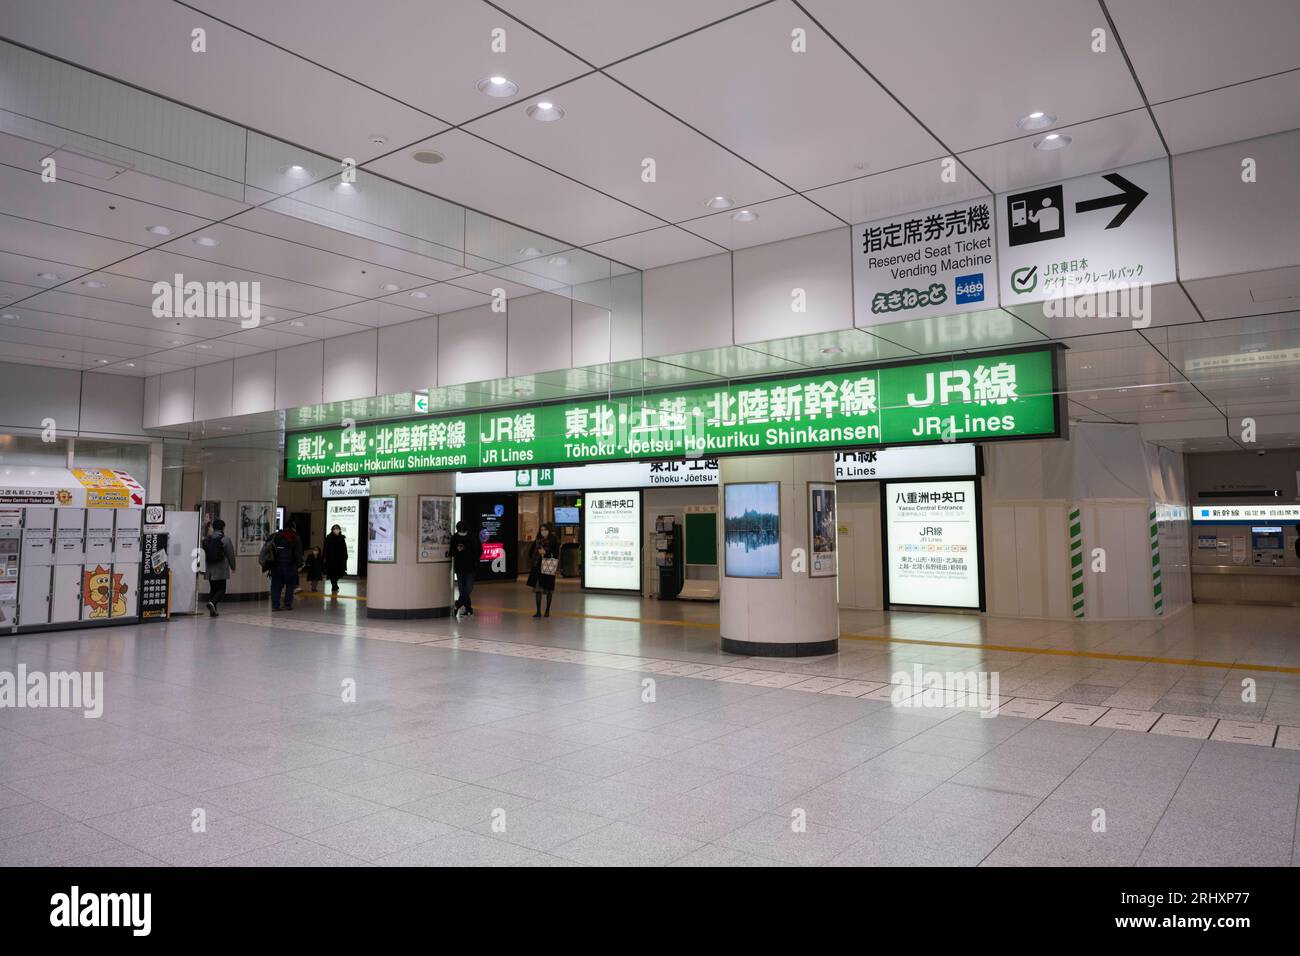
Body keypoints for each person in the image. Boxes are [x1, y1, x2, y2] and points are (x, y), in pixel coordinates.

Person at [260, 519, 304, 611]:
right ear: (293, 528)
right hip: (290, 566)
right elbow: (298, 553)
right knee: (290, 586)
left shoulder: (275, 536)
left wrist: (265, 563)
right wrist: (299, 565)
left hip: (276, 565)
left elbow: (265, 549)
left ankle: (275, 606)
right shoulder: (295, 537)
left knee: (276, 586)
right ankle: (287, 604)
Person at [200, 518, 236, 617]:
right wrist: (233, 566)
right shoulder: (225, 539)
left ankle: (214, 610)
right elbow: (230, 554)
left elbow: (203, 552)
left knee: (213, 589)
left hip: (209, 569)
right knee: (221, 589)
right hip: (221, 569)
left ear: (213, 527)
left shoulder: (207, 539)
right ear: (223, 528)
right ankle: (212, 603)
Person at [447, 520, 482, 619]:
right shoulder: (455, 538)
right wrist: (457, 550)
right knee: (463, 589)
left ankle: (457, 605)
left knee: (467, 589)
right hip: (460, 567)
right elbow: (451, 552)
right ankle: (469, 609)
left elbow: (479, 551)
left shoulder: (473, 537)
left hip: (470, 566)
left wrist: (474, 557)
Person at [526, 522, 558, 619]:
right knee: (538, 590)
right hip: (538, 568)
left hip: (548, 568)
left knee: (548, 590)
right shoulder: (537, 540)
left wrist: (546, 553)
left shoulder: (553, 540)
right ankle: (538, 611)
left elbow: (556, 553)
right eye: (542, 530)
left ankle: (547, 611)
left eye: (545, 530)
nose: (544, 532)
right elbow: (530, 553)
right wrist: (536, 555)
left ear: (549, 530)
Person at [323, 524, 348, 595]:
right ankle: (334, 585)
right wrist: (324, 556)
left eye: (337, 528)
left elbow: (344, 548)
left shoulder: (342, 538)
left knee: (339, 573)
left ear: (339, 530)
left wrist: (345, 556)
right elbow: (325, 548)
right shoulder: (328, 538)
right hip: (330, 559)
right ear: (332, 530)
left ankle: (335, 584)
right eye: (334, 528)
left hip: (339, 559)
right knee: (332, 573)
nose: (336, 530)